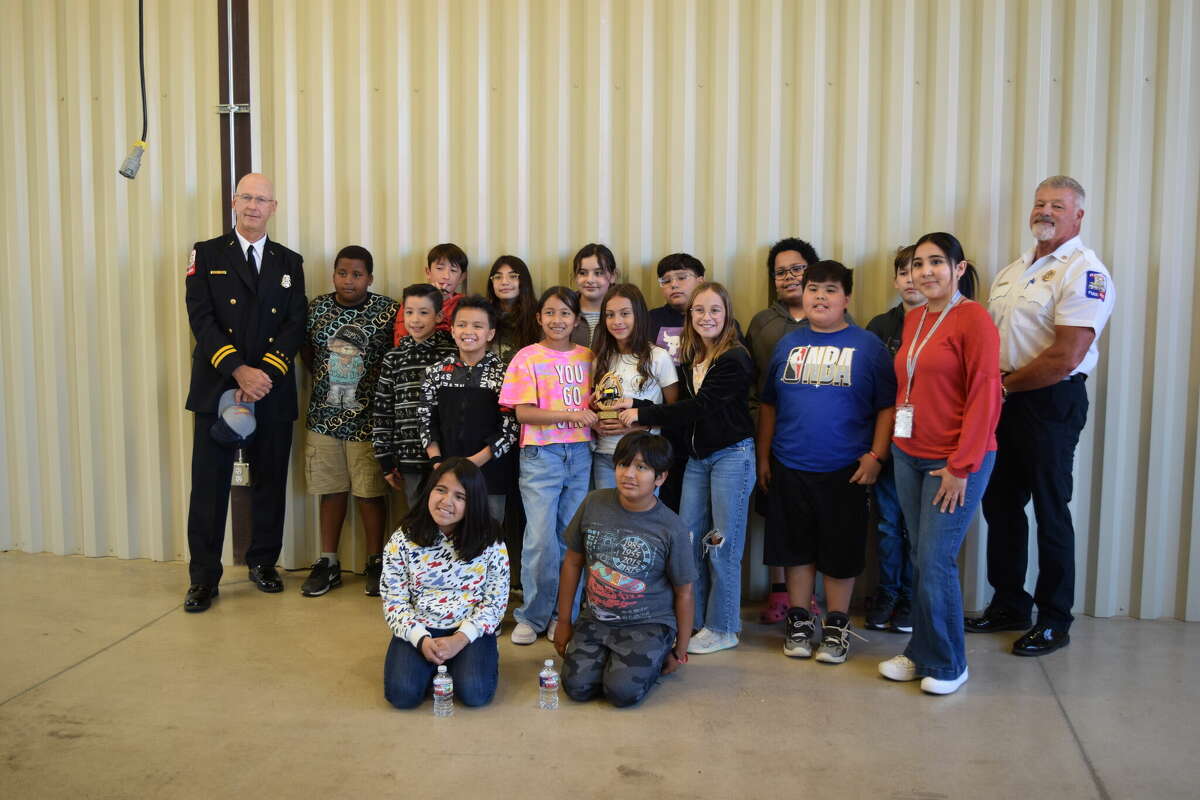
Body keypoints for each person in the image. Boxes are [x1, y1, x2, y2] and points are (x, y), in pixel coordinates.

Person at [967, 176, 1116, 656]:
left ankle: (1055, 619)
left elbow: (1066, 356)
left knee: (1051, 510)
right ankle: (1010, 603)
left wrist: (1002, 387)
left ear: (1078, 216)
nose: (1045, 211)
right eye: (1039, 203)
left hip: (1050, 401)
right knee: (1001, 506)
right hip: (1006, 398)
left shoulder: (1084, 272)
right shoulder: (1014, 271)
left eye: (1057, 204)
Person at [877, 232, 1001, 695]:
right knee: (919, 553)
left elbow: (986, 396)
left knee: (935, 559)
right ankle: (919, 654)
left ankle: (949, 664)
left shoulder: (974, 320)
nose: (924, 271)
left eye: (935, 262)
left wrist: (961, 466)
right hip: (910, 455)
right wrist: (896, 442)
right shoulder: (915, 320)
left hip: (955, 461)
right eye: (916, 264)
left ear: (958, 269)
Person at [758, 261, 897, 663]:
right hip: (790, 464)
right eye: (813, 288)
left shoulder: (867, 346)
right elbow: (769, 404)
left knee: (840, 552)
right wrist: (764, 456)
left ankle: (836, 625)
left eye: (831, 290)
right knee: (797, 550)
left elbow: (887, 407)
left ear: (846, 298)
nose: (820, 296)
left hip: (846, 470)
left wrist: (876, 456)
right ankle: (800, 621)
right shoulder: (788, 344)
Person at [182, 172, 306, 612]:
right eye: (247, 197)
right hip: (219, 385)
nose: (254, 205)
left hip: (270, 388)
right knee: (209, 485)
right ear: (234, 202)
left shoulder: (289, 261)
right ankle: (203, 578)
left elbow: (295, 324)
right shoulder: (207, 253)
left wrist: (263, 375)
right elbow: (201, 318)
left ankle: (263, 563)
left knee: (270, 481)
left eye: (263, 199)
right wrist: (238, 371)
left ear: (274, 207)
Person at [621, 282, 755, 655]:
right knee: (690, 539)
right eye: (699, 311)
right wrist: (635, 401)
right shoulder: (695, 356)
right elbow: (678, 400)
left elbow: (697, 409)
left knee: (723, 544)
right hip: (698, 460)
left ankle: (724, 626)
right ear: (689, 316)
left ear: (727, 314)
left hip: (731, 456)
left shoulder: (734, 358)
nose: (706, 317)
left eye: (714, 310)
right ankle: (692, 619)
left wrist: (642, 413)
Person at [553, 432, 696, 707]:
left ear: (661, 477)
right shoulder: (594, 502)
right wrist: (563, 622)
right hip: (596, 618)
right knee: (577, 687)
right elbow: (572, 563)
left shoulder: (671, 527)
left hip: (647, 623)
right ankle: (613, 657)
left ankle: (651, 652)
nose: (629, 474)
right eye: (623, 464)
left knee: (621, 693)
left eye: (641, 467)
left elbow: (685, 592)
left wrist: (680, 649)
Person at [298, 246, 399, 597]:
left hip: (369, 422)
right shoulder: (318, 308)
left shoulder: (387, 311)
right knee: (331, 491)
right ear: (333, 275)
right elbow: (308, 353)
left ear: (370, 278)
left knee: (370, 494)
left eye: (357, 274)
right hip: (324, 419)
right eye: (342, 273)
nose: (349, 280)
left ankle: (375, 561)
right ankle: (328, 562)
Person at [500, 287, 598, 645]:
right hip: (542, 455)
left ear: (577, 319)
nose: (558, 320)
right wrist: (571, 415)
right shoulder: (527, 357)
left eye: (565, 314)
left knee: (570, 539)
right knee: (540, 538)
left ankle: (565, 614)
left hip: (581, 455)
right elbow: (523, 412)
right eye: (550, 313)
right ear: (539, 317)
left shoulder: (589, 357)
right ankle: (533, 615)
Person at [381, 458, 509, 709]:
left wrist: (461, 639)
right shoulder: (403, 537)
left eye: (460, 496)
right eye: (440, 490)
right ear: (429, 490)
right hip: (420, 626)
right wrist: (420, 639)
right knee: (402, 695)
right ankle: (437, 661)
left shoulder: (490, 540)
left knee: (475, 694)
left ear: (473, 504)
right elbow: (394, 600)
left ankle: (458, 661)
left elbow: (495, 602)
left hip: (468, 630)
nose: (446, 501)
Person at [745, 237, 822, 624]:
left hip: (818, 437)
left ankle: (807, 595)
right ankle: (779, 591)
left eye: (797, 269)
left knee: (812, 515)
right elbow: (752, 381)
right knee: (776, 514)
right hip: (771, 434)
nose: (789, 277)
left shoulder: (830, 317)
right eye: (781, 272)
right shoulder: (762, 323)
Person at [863, 245, 924, 632]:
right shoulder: (880, 327)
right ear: (895, 280)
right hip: (888, 434)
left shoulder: (946, 321)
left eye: (919, 270)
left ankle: (912, 597)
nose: (911, 279)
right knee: (888, 521)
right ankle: (887, 591)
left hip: (928, 438)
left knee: (917, 524)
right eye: (904, 272)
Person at [419, 295, 518, 524]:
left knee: (488, 536)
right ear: (452, 330)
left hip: (491, 475)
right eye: (462, 325)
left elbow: (510, 428)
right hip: (444, 472)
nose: (468, 331)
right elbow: (426, 421)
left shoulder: (505, 375)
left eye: (477, 325)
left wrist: (473, 463)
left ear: (490, 334)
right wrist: (438, 463)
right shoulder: (436, 372)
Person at [372, 284, 457, 511]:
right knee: (417, 517)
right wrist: (386, 461)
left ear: (438, 316)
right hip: (409, 458)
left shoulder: (450, 354)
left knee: (448, 514)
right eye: (409, 312)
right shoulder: (394, 357)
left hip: (446, 456)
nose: (415, 320)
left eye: (423, 312)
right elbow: (383, 410)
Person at [589, 284, 679, 489]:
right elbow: (591, 406)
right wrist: (593, 423)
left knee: (641, 519)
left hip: (644, 458)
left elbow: (673, 412)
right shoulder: (599, 358)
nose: (617, 321)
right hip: (605, 456)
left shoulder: (658, 357)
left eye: (625, 313)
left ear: (638, 315)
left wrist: (639, 423)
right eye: (610, 315)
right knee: (608, 518)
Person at [392, 243, 468, 343]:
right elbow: (399, 341)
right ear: (428, 272)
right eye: (440, 268)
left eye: (453, 270)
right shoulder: (412, 300)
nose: (446, 276)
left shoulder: (465, 304)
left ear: (461, 277)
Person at [486, 255, 540, 365]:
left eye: (513, 276)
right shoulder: (483, 316)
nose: (504, 282)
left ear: (524, 281)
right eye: (498, 277)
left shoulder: (539, 316)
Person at [569, 243, 618, 347]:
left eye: (599, 273)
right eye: (582, 273)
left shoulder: (625, 311)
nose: (590, 280)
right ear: (575, 277)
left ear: (613, 276)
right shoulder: (562, 310)